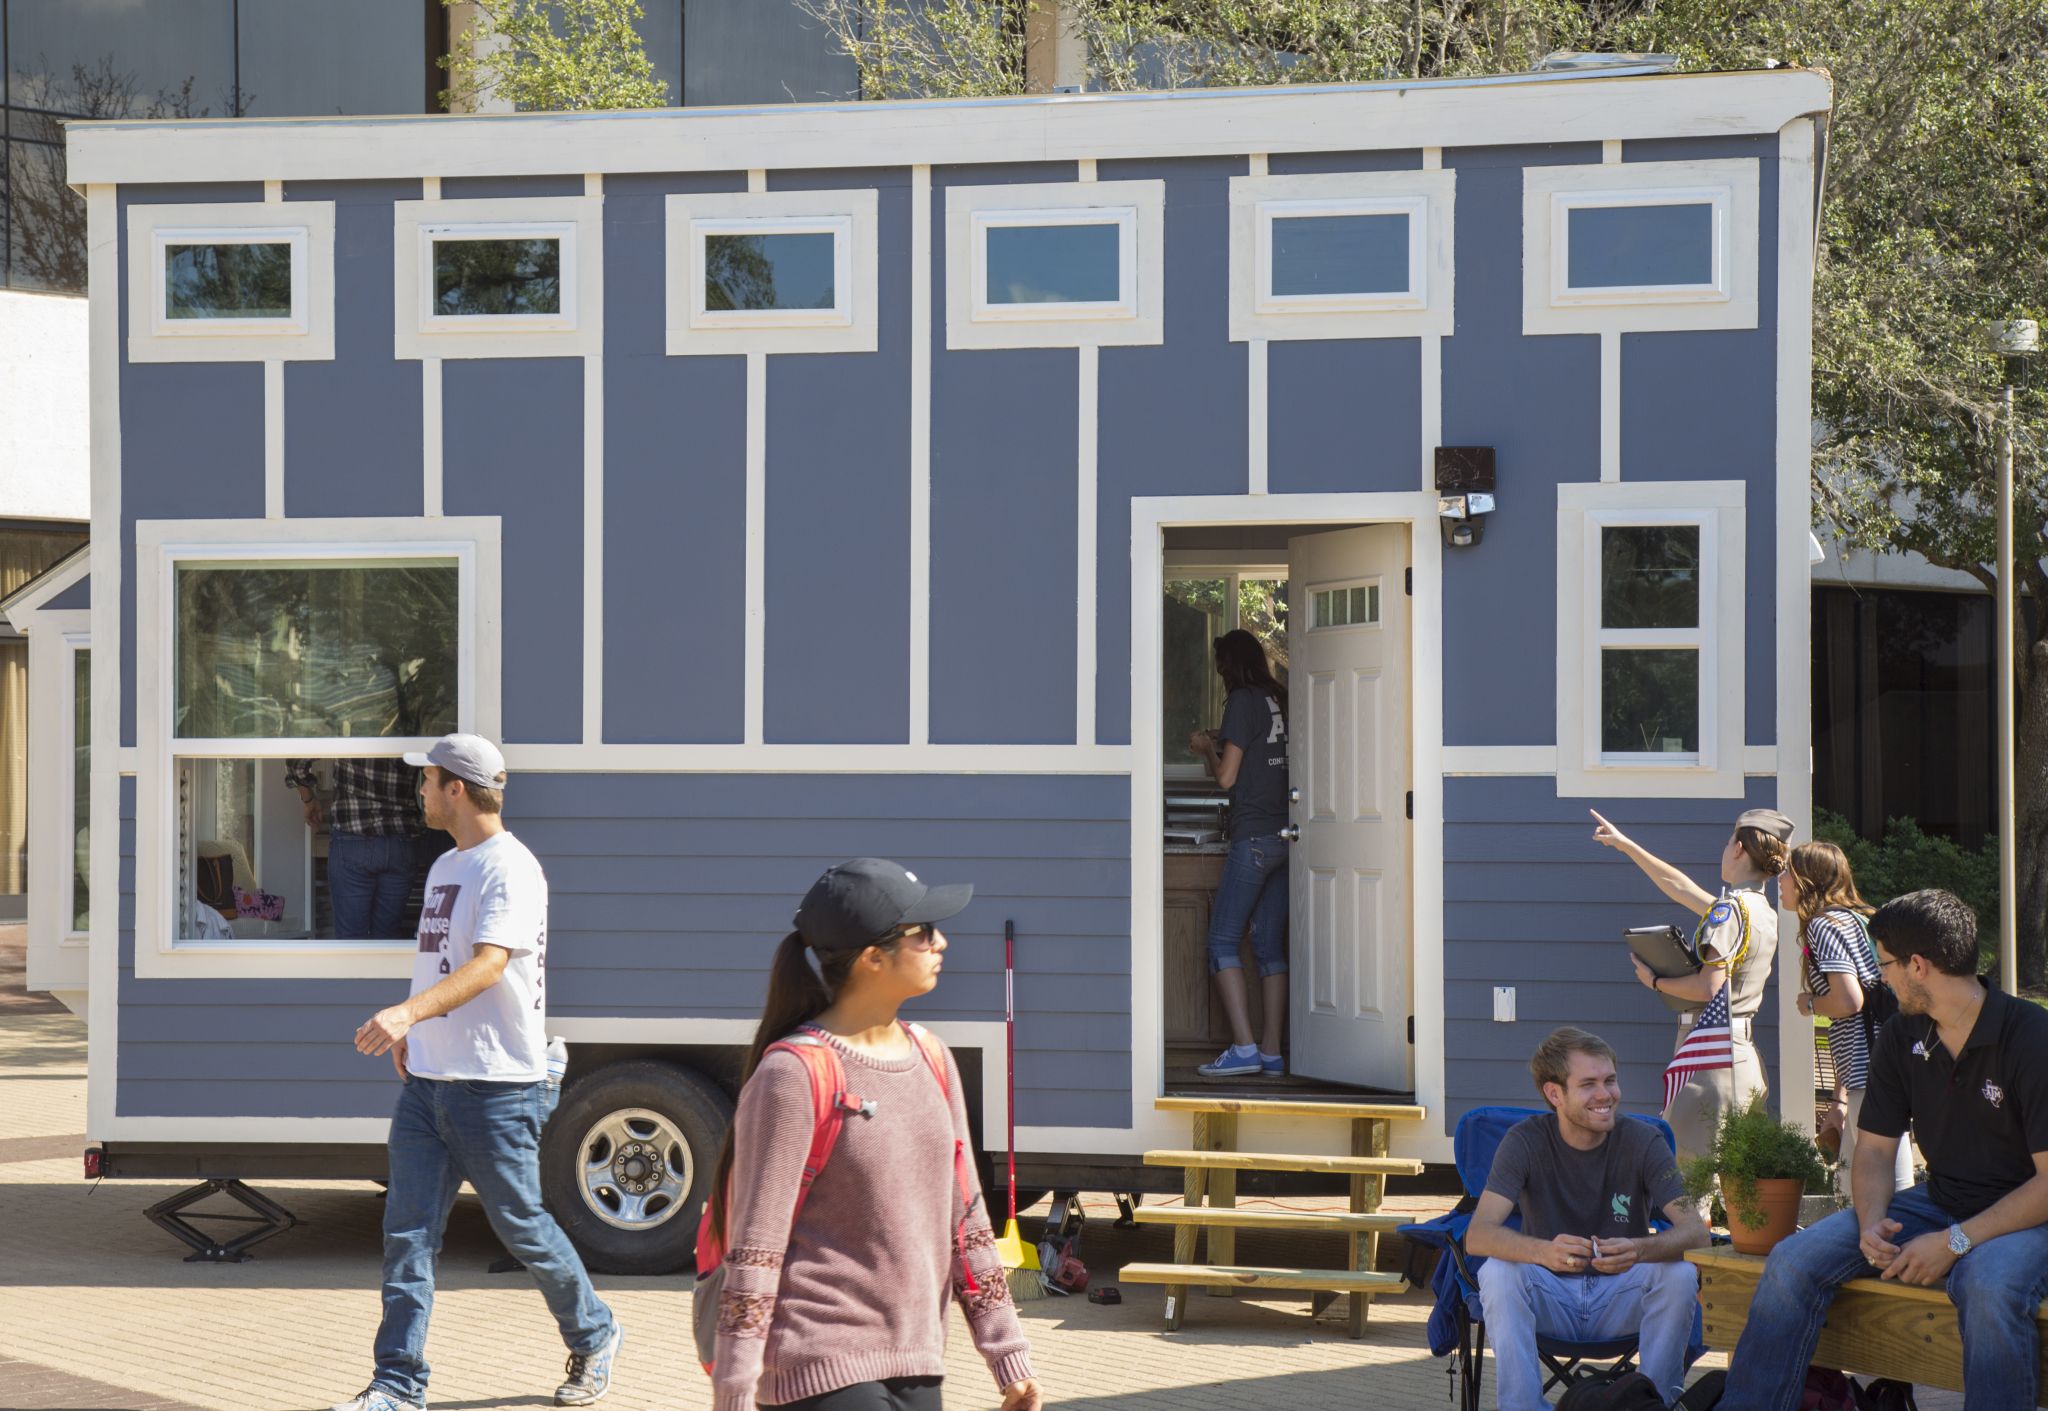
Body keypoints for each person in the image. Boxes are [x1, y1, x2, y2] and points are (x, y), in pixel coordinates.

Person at [331, 734, 621, 1411]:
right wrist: (420, 1030)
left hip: (497, 1087)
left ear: (455, 787)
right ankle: (398, 1383)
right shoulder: (444, 866)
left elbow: (490, 963)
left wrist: (405, 1014)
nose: (420, 791)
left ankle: (596, 1331)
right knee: (407, 1236)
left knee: (522, 1228)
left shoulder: (509, 867)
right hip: (429, 1083)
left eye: (427, 779)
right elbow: (440, 961)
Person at [707, 858, 1042, 1411]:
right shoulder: (793, 1074)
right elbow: (756, 1249)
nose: (943, 942)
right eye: (923, 933)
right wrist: (735, 1394)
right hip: (818, 1365)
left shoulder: (933, 1058)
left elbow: (969, 1222)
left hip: (917, 1363)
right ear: (871, 958)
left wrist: (1007, 1357)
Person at [1712, 890, 2048, 1411]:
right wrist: (1871, 1223)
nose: (1879, 977)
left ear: (1919, 965)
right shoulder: (1899, 1034)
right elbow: (1871, 1152)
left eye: (1884, 963)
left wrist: (1955, 1241)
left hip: (2032, 1217)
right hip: (1943, 1202)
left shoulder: (2031, 1036)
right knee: (1792, 1260)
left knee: (1986, 1287)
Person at [1467, 1028, 1708, 1411]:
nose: (1605, 1095)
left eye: (1610, 1080)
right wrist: (1543, 1252)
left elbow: (1697, 1234)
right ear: (1554, 1094)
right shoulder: (1524, 1140)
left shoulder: (1643, 1141)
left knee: (1678, 1275)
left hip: (1621, 1296)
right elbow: (1478, 1235)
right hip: (1551, 1298)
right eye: (1589, 1084)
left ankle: (1654, 1405)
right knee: (1497, 1272)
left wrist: (1639, 1249)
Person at [1592, 806, 1790, 1166]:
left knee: (1687, 1182)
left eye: (1729, 840)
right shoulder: (1759, 910)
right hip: (1742, 1056)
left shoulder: (1729, 911)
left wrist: (1656, 981)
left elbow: (1709, 989)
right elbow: (1680, 887)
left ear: (1739, 849)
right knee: (1736, 1184)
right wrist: (1626, 846)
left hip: (1710, 1058)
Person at [1187, 628, 1290, 1079]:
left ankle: (1244, 1047)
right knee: (1269, 947)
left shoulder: (1242, 702)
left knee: (1221, 942)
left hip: (1253, 839)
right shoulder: (1280, 698)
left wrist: (1208, 748)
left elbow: (1226, 779)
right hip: (1288, 834)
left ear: (1228, 665)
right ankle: (1271, 1051)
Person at [1786, 840, 1913, 1194]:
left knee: (1891, 1182)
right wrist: (1839, 1101)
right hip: (1879, 1062)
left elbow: (1848, 1001)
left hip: (1870, 1071)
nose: (1780, 880)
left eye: (1787, 873)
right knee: (1847, 1183)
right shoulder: (1859, 919)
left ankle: (1909, 1244)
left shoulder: (1822, 926)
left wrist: (1810, 1003)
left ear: (1806, 881)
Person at [287, 757, 429, 939]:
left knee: (351, 941)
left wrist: (308, 799)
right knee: (387, 940)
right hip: (401, 840)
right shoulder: (407, 729)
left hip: (353, 837)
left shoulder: (346, 731)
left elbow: (296, 761)